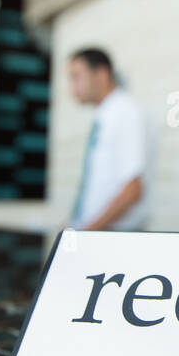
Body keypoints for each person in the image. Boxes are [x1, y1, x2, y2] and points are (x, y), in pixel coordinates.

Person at [66, 48, 151, 231]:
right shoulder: (106, 115)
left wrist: (87, 233)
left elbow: (132, 190)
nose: (72, 88)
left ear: (102, 74)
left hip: (112, 237)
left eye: (76, 77)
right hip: (97, 235)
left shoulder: (125, 113)